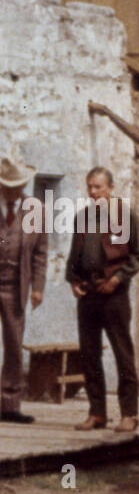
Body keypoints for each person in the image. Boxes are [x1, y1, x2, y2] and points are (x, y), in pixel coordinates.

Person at [66, 167, 139, 432]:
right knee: (89, 354)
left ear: (111, 188)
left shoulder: (124, 217)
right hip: (88, 294)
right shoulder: (83, 218)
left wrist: (117, 279)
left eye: (98, 187)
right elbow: (74, 255)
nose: (93, 192)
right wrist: (74, 281)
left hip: (114, 294)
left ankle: (130, 413)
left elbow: (137, 256)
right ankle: (97, 413)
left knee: (123, 353)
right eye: (89, 187)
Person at [0, 153, 47, 424]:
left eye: (17, 185)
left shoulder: (35, 210)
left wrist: (38, 287)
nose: (13, 190)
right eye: (7, 185)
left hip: (15, 286)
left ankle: (9, 405)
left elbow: (41, 252)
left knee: (14, 346)